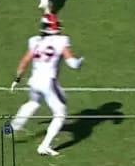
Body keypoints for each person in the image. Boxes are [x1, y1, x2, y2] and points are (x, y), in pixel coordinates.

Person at [9, 14, 84, 157]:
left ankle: (13, 127)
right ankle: (45, 146)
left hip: (34, 80)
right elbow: (72, 63)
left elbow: (25, 61)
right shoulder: (61, 41)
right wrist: (79, 62)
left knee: (33, 103)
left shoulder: (35, 41)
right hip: (48, 82)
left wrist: (17, 79)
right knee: (61, 114)